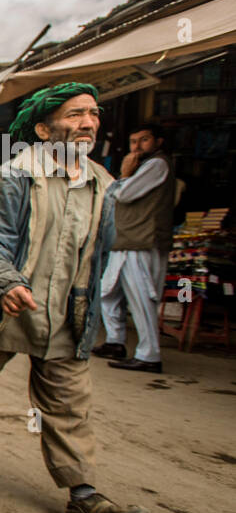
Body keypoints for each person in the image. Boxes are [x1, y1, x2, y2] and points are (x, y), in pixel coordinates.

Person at [0, 82, 151, 513]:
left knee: (69, 402)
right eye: (74, 115)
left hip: (68, 314)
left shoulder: (103, 186)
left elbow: (105, 249)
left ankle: (82, 492)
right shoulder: (12, 176)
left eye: (93, 114)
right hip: (7, 305)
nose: (88, 123)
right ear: (44, 131)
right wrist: (4, 282)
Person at [92, 123, 175, 373]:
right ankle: (115, 341)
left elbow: (123, 194)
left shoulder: (157, 164)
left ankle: (150, 355)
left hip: (142, 242)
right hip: (125, 240)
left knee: (141, 299)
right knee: (107, 293)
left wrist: (125, 174)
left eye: (144, 140)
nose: (137, 147)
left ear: (158, 142)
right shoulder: (143, 166)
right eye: (133, 141)